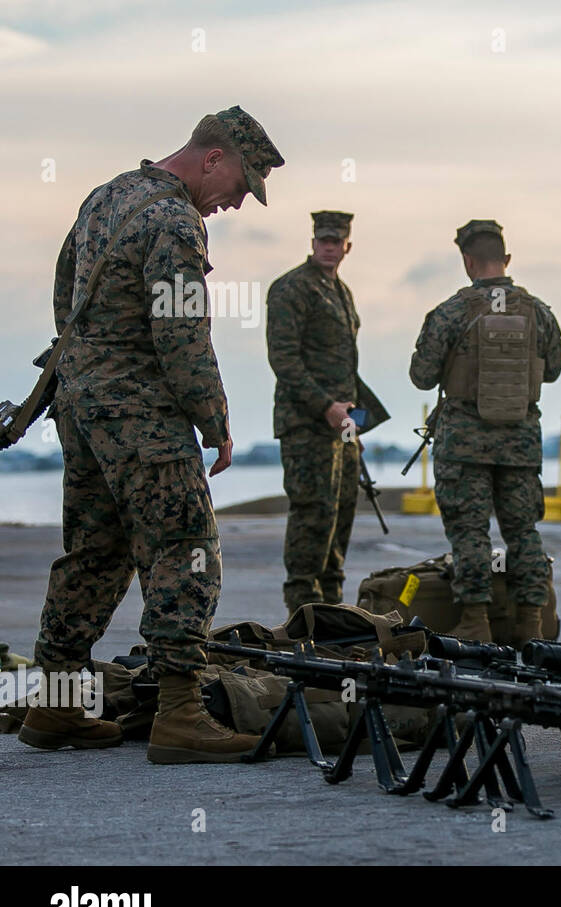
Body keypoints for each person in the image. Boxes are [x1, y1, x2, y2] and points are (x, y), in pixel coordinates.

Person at [21, 106, 283, 763]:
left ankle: (55, 703)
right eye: (241, 186)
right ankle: (182, 714)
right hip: (141, 415)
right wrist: (214, 420)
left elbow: (66, 297)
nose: (237, 204)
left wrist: (87, 375)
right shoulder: (175, 220)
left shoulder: (107, 196)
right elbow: (181, 330)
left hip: (82, 408)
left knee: (95, 551)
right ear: (213, 158)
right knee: (186, 547)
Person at [408, 220, 561, 646]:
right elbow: (553, 369)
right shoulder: (539, 312)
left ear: (468, 261)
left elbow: (421, 376)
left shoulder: (451, 312)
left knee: (470, 531)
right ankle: (530, 623)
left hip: (464, 445)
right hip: (520, 441)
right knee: (524, 531)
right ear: (507, 260)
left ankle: (475, 621)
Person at [267, 210, 382, 614]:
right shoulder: (291, 289)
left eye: (337, 242)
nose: (329, 247)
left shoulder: (341, 291)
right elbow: (283, 360)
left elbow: (344, 367)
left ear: (347, 246)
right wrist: (324, 406)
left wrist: (353, 425)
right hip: (306, 424)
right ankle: (302, 612)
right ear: (313, 242)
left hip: (342, 426)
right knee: (312, 514)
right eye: (323, 241)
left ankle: (331, 612)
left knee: (341, 516)